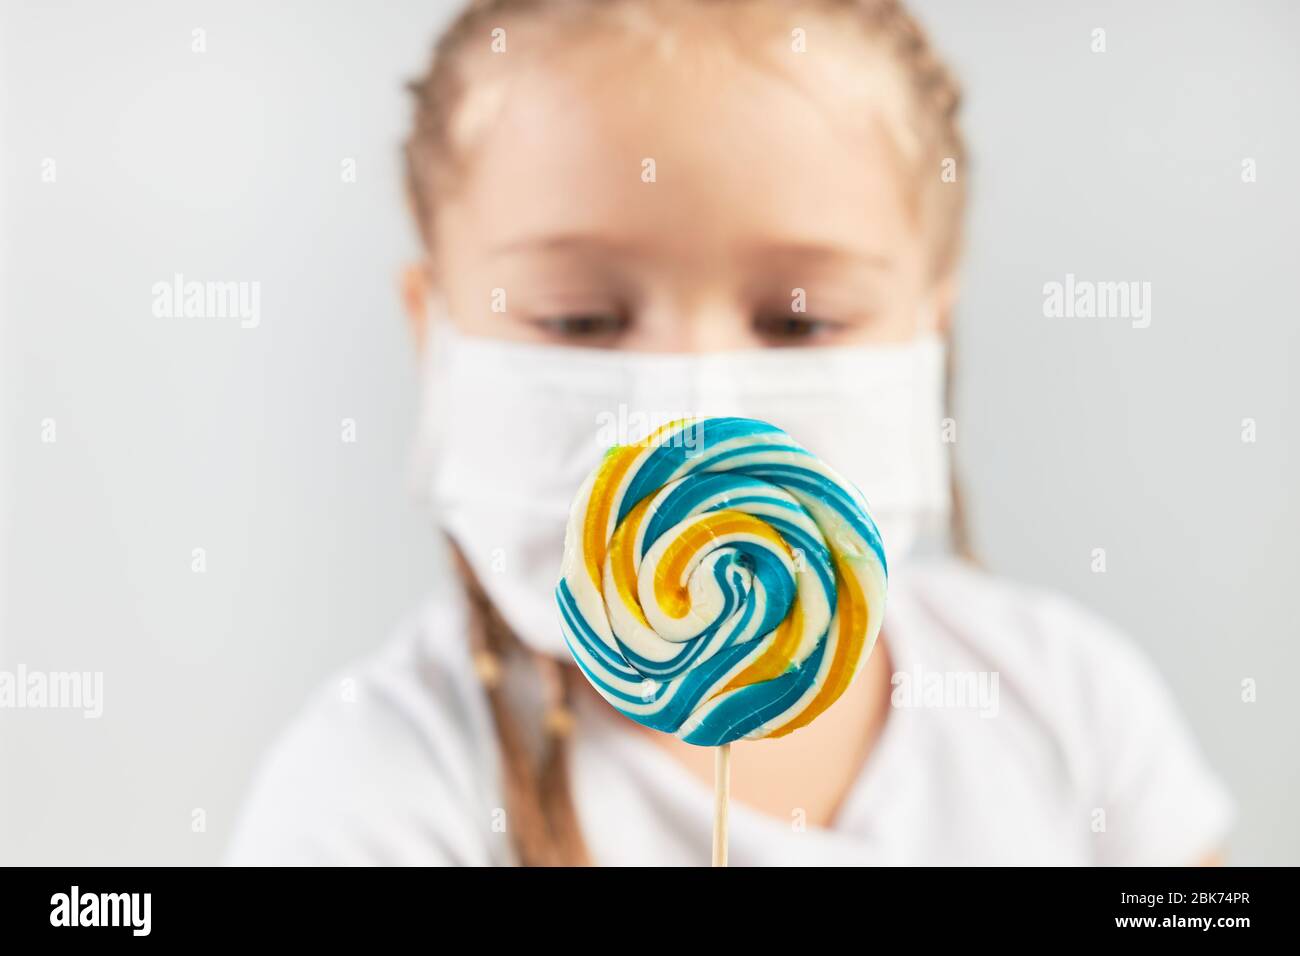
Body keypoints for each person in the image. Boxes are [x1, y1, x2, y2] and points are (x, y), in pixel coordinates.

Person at [226, 0, 1233, 866]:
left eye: (799, 320)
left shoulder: (1073, 703)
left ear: (930, 328)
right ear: (432, 334)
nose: (689, 405)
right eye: (580, 317)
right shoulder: (372, 796)